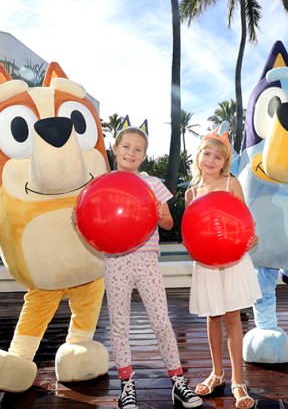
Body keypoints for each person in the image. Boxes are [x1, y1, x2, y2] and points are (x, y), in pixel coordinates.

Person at [77, 117, 202, 409]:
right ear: (114, 148)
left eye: (138, 149)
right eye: (126, 147)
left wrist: (161, 214)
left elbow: (170, 223)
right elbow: (90, 219)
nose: (131, 153)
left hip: (146, 260)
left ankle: (178, 381)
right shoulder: (101, 184)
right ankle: (126, 385)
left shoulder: (153, 184)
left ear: (144, 155)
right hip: (116, 261)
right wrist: (80, 217)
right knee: (119, 324)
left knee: (161, 321)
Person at [184, 123, 261, 409]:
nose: (211, 161)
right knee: (212, 316)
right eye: (207, 154)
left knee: (232, 317)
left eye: (218, 157)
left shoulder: (231, 184)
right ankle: (217, 373)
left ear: (225, 162)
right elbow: (192, 231)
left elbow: (245, 221)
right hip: (206, 264)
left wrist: (251, 239)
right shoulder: (191, 193)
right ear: (199, 156)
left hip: (232, 262)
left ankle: (238, 381)